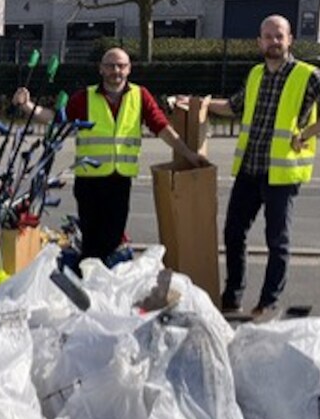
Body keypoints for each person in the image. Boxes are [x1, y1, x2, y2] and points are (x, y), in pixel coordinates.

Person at [177, 15, 320, 321]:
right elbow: (233, 106)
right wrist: (196, 102)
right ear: (259, 41)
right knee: (233, 232)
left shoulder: (307, 75)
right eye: (268, 36)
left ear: (290, 40)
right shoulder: (257, 74)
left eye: (279, 36)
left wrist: (308, 133)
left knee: (277, 241)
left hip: (281, 174)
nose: (273, 41)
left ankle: (268, 302)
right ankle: (232, 297)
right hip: (250, 169)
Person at [12, 47, 208, 269]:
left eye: (121, 66)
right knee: (92, 243)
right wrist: (27, 106)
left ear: (129, 69)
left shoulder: (140, 96)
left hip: (119, 181)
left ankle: (101, 285)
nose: (116, 70)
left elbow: (162, 127)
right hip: (90, 182)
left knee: (113, 240)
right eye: (111, 66)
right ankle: (90, 288)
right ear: (101, 69)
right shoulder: (85, 98)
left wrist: (188, 153)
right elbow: (56, 119)